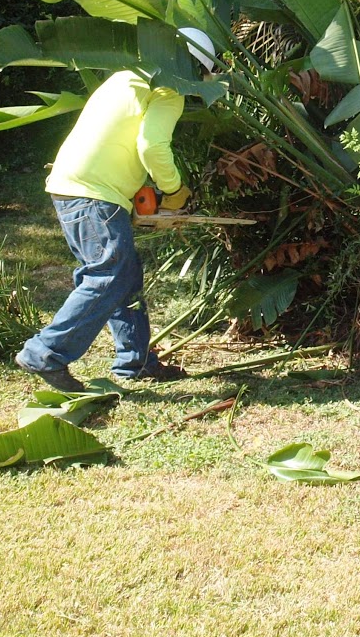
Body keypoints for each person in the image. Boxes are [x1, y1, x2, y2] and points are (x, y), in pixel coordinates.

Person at [14, 28, 216, 392]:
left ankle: (135, 362)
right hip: (95, 193)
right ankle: (45, 352)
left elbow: (116, 138)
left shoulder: (124, 77)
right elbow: (152, 148)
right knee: (109, 273)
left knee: (124, 276)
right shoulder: (168, 90)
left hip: (70, 184)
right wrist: (175, 191)